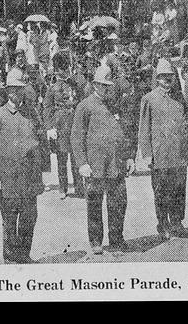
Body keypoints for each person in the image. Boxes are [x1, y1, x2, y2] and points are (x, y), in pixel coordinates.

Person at [71, 64, 136, 254]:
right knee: (94, 204)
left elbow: (125, 134)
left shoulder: (116, 105)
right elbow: (76, 137)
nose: (107, 88)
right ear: (94, 85)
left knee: (118, 203)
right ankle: (96, 241)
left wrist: (130, 157)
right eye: (103, 85)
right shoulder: (85, 106)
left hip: (116, 165)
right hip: (95, 166)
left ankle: (116, 239)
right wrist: (82, 163)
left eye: (109, 85)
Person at [0, 68, 47, 264]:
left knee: (30, 218)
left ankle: (23, 254)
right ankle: (11, 258)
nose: (16, 93)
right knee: (10, 221)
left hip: (29, 178)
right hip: (8, 179)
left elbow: (40, 139)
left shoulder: (31, 113)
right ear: (7, 91)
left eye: (20, 89)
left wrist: (42, 172)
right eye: (12, 89)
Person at [138, 58, 188, 240]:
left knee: (179, 190)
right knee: (161, 192)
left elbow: (187, 125)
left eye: (170, 75)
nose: (167, 79)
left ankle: (177, 222)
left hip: (178, 154)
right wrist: (146, 154)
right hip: (160, 155)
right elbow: (144, 129)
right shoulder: (149, 99)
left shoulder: (180, 99)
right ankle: (163, 224)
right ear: (157, 78)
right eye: (163, 76)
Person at [43, 53, 81, 199]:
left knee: (76, 158)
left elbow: (81, 99)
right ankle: (63, 188)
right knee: (62, 158)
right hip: (60, 125)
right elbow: (47, 108)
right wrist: (49, 127)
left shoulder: (74, 84)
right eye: (61, 69)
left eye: (65, 68)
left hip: (74, 124)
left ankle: (78, 187)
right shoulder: (52, 88)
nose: (63, 72)